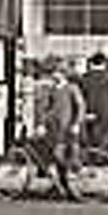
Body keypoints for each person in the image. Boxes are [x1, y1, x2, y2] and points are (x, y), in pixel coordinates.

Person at [38, 64, 84, 199]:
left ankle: (66, 182)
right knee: (54, 154)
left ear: (63, 74)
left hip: (66, 127)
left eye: (56, 73)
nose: (54, 76)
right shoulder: (52, 89)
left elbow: (80, 106)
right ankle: (60, 184)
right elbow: (46, 107)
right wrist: (41, 123)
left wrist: (77, 123)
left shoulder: (71, 88)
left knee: (59, 155)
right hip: (53, 127)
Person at [80, 51, 108, 147]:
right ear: (104, 63)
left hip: (89, 111)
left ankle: (91, 158)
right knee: (103, 140)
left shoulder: (84, 78)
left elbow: (81, 97)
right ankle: (101, 158)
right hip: (106, 112)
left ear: (92, 63)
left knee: (90, 138)